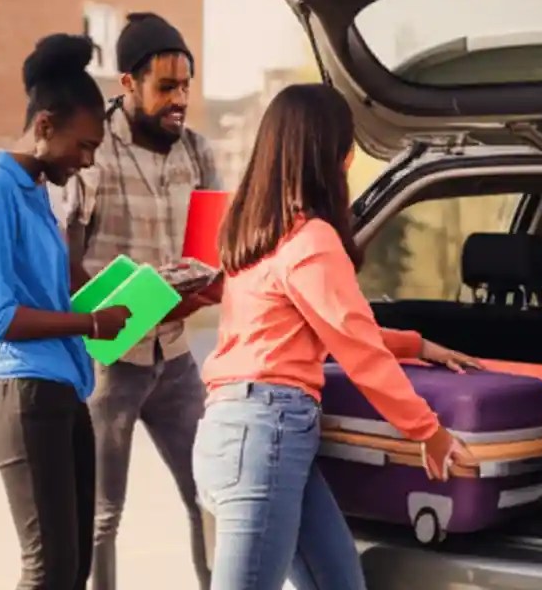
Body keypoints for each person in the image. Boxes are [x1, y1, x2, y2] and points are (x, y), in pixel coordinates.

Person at [193, 83, 482, 590]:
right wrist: (428, 432)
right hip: (267, 434)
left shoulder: (257, 235)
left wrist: (416, 346)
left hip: (242, 429)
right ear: (335, 156)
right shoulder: (311, 239)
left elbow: (327, 329)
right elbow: (360, 354)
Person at [0, 33, 133, 590]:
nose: (86, 163)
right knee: (50, 571)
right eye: (82, 147)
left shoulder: (39, 191)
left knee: (73, 567)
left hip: (63, 388)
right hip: (24, 393)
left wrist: (141, 294)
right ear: (44, 126)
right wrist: (89, 324)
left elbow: (57, 290)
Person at [57, 12, 218, 589]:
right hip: (109, 363)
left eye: (186, 87)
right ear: (128, 84)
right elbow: (66, 261)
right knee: (101, 516)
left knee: (211, 497)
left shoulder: (197, 152)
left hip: (175, 360)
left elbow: (209, 252)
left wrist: (200, 293)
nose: (180, 100)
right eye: (166, 87)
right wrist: (116, 312)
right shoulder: (92, 152)